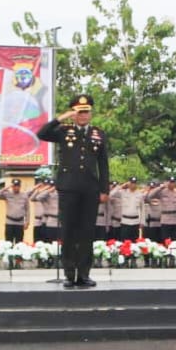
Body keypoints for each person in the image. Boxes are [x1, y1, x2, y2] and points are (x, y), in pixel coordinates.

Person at [37, 92, 111, 289]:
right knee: (69, 231)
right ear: (74, 113)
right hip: (68, 188)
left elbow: (103, 164)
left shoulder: (98, 134)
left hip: (90, 190)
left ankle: (84, 274)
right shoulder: (64, 131)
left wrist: (104, 190)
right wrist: (61, 118)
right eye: (79, 112)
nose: (83, 116)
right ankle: (70, 275)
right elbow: (41, 133)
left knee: (87, 232)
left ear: (91, 114)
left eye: (86, 112)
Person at [145, 178, 176, 243]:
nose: (172, 184)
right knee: (164, 240)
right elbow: (150, 195)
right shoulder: (162, 192)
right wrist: (160, 187)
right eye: (170, 182)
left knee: (175, 241)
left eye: (173, 182)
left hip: (175, 220)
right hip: (165, 220)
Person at [0, 177, 29, 243]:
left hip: (20, 223)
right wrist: (6, 188)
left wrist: (27, 221)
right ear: (12, 186)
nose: (16, 187)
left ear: (20, 186)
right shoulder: (7, 194)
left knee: (19, 243)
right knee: (8, 243)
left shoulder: (24, 195)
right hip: (9, 222)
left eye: (17, 186)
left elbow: (27, 209)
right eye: (14, 186)